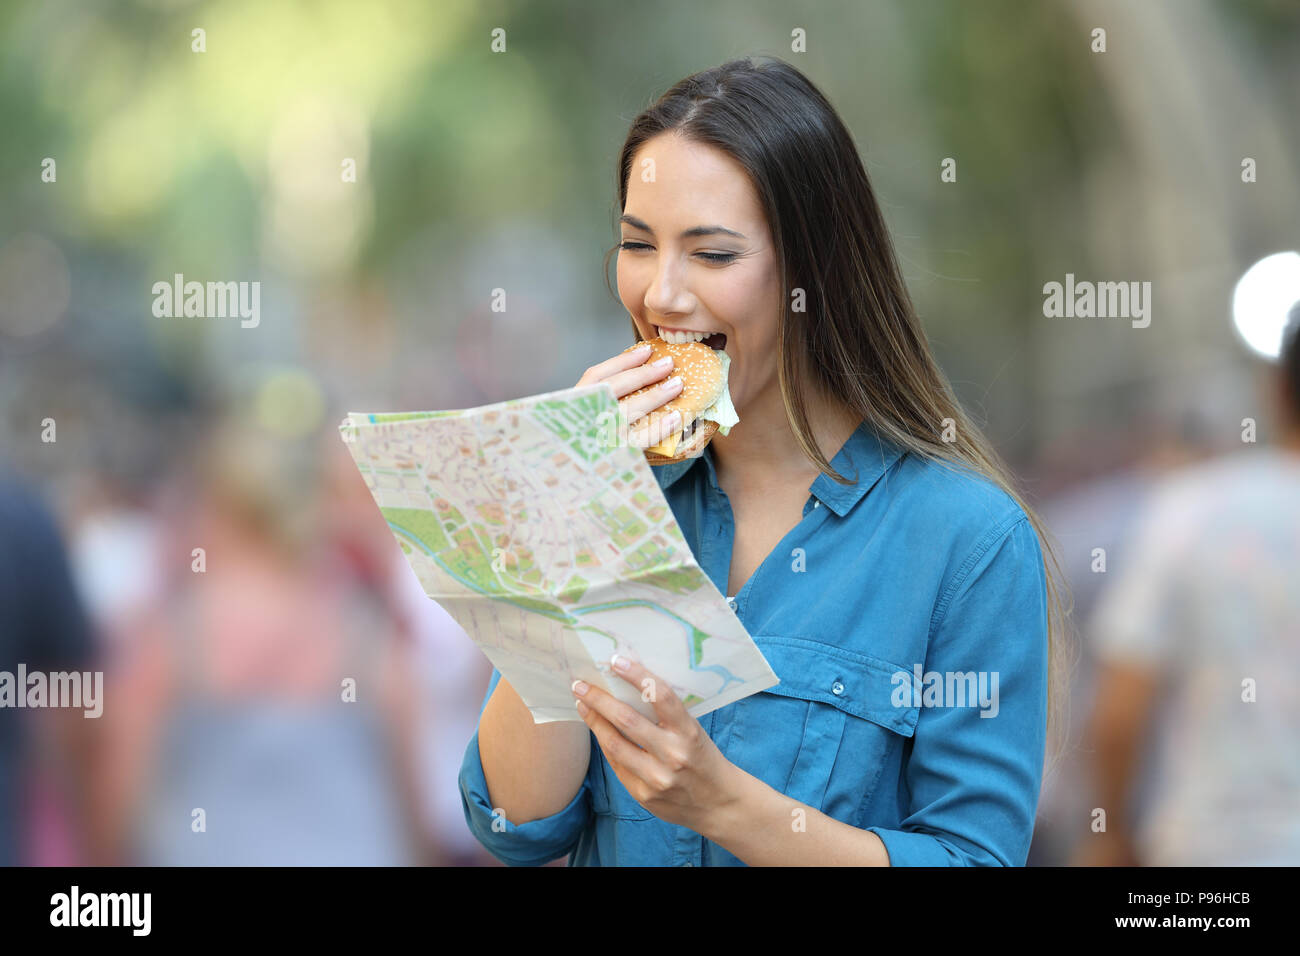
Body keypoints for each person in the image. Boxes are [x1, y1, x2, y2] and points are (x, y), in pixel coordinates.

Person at [460, 56, 1070, 866]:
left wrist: (724, 805)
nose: (661, 295)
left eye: (711, 255)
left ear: (812, 274)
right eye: (638, 245)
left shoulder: (967, 542)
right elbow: (517, 822)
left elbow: (975, 857)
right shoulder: (622, 494)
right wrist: (577, 510)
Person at [1074, 309, 1300, 866]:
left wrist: (1109, 833)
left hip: (1215, 853)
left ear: (1274, 389)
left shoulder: (1191, 511)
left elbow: (1120, 708)